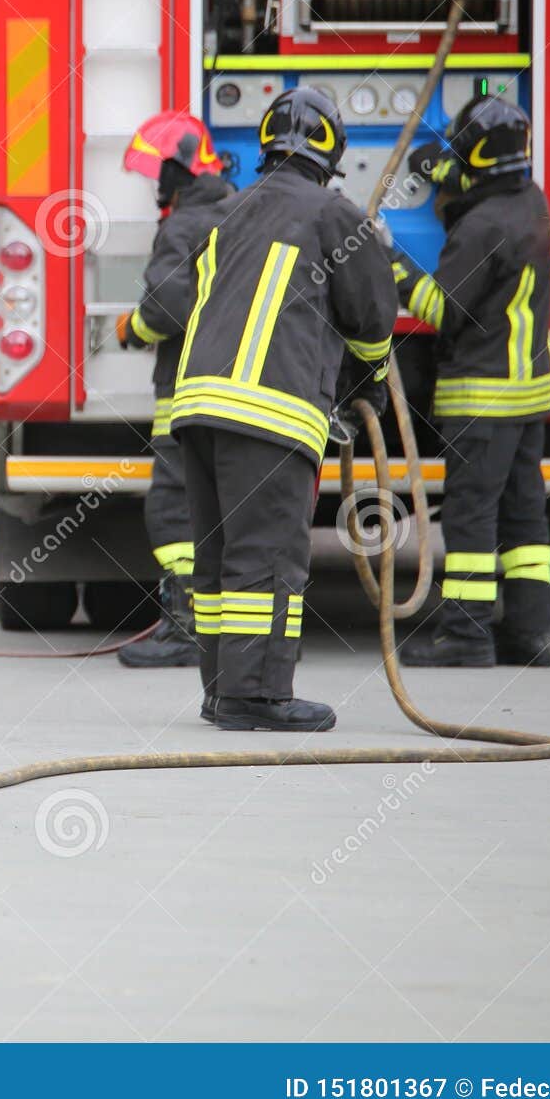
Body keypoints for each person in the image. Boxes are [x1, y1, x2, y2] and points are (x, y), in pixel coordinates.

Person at [170, 87, 398, 731]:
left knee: (216, 556)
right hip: (269, 414)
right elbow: (371, 316)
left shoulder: (225, 212)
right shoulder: (334, 214)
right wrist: (370, 380)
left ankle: (221, 691)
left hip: (197, 411)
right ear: (331, 151)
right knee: (268, 556)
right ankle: (259, 696)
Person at [387, 96, 550, 667]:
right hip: (529, 393)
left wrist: (393, 262)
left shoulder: (482, 226)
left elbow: (442, 309)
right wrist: (443, 166)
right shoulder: (531, 204)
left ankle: (465, 637)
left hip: (482, 397)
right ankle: (531, 637)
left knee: (471, 516)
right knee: (524, 515)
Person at [114, 119, 235, 673]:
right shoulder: (241, 215)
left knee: (171, 509)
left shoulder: (181, 227)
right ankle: (228, 632)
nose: (155, 184)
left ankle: (185, 624)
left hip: (186, 392)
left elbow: (164, 310)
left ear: (176, 172)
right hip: (243, 394)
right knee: (226, 510)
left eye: (158, 172)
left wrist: (130, 331)